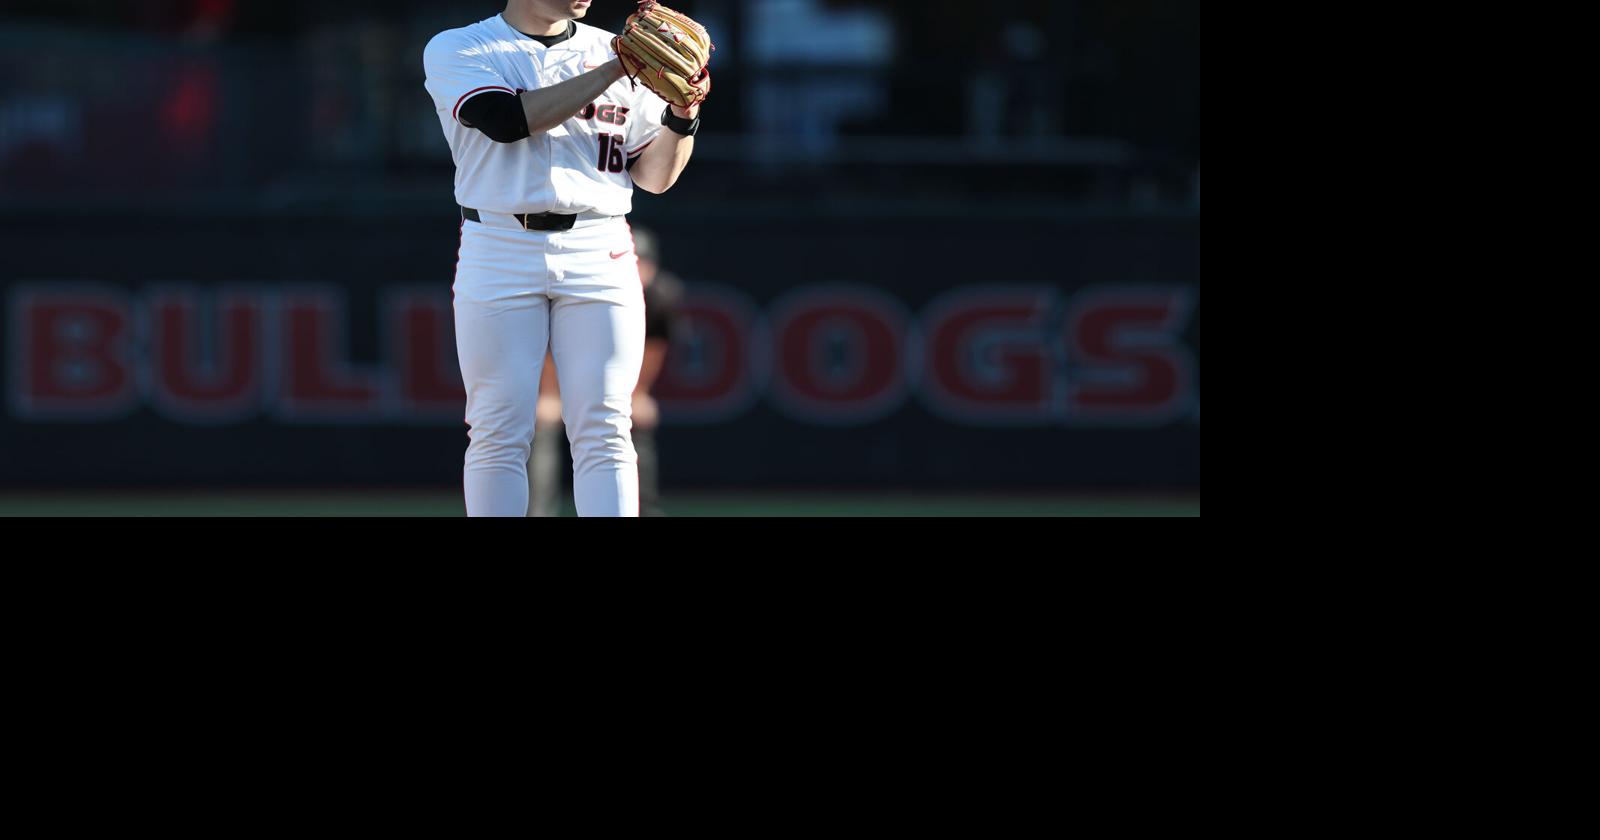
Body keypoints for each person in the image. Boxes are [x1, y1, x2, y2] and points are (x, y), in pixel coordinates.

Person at [423, 0, 704, 516]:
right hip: (499, 242)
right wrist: (617, 67)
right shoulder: (460, 46)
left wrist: (683, 118)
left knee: (606, 425)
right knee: (497, 428)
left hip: (600, 242)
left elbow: (654, 177)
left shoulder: (615, 52)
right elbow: (509, 119)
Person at [526, 227, 684, 517]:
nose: (640, 270)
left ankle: (645, 510)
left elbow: (653, 349)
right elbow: (547, 338)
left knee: (631, 417)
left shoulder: (661, 296)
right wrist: (550, 393)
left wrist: (638, 392)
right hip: (563, 369)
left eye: (645, 263)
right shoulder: (578, 282)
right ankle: (539, 513)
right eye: (635, 260)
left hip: (606, 377)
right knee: (544, 420)